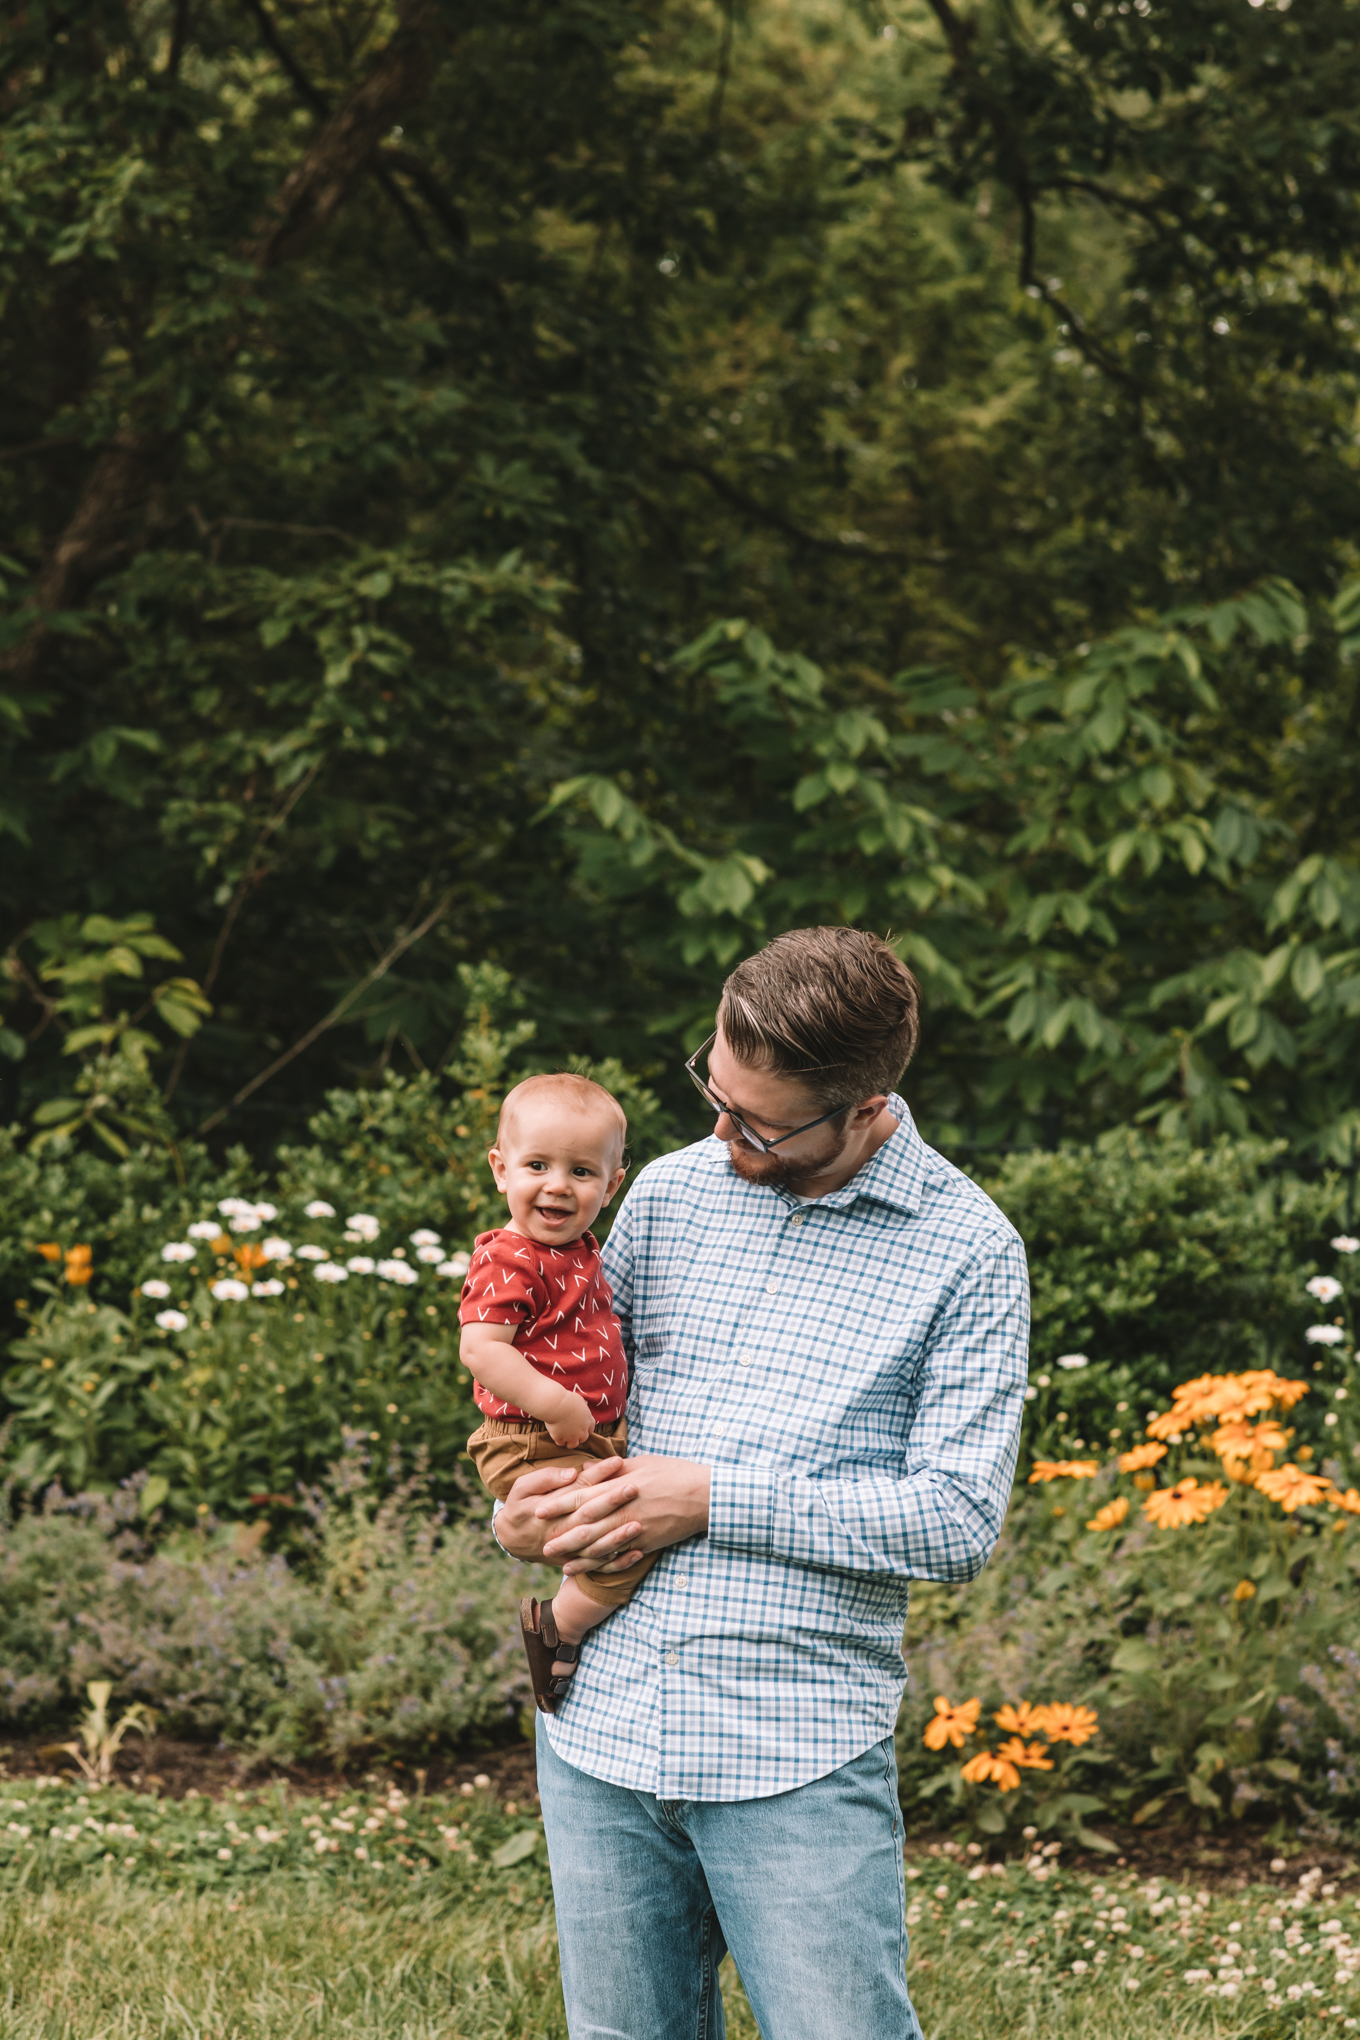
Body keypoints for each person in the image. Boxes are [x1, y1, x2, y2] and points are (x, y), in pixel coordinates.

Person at [495, 927, 1029, 2040]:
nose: (720, 1136)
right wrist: (527, 1506)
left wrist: (712, 1498)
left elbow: (957, 1520)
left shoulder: (969, 1251)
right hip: (601, 1725)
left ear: (866, 1106)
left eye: (760, 1124)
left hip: (791, 1749)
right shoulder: (667, 1196)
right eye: (716, 1095)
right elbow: (576, 1390)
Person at [459, 1071, 657, 1712]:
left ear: (612, 1184)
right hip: (529, 1438)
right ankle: (558, 1629)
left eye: (581, 1171)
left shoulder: (578, 1250)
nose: (557, 1185)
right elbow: (481, 1349)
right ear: (501, 1170)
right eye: (537, 1165)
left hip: (576, 1434)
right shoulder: (508, 1257)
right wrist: (557, 1403)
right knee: (623, 1540)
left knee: (623, 1525)